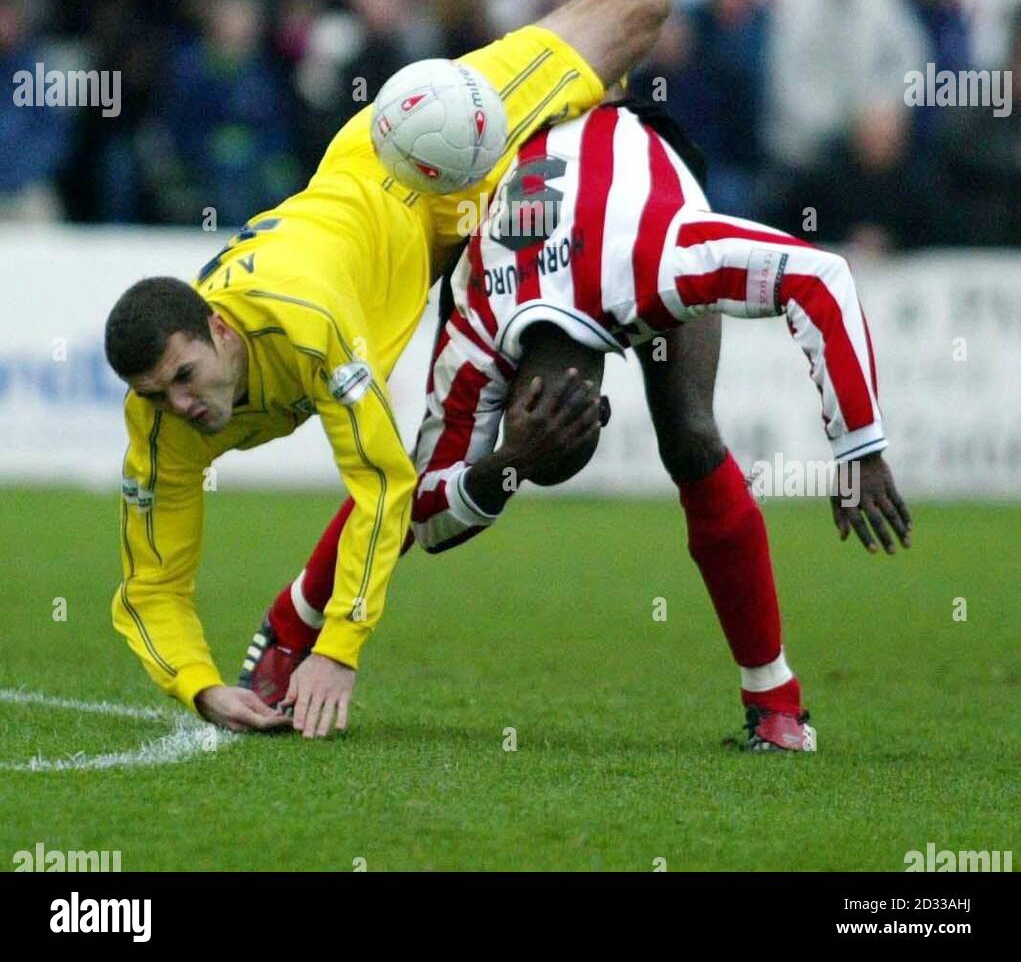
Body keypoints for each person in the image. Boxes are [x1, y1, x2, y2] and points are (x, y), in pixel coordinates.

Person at [103, 0, 815, 738]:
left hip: (427, 154)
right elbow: (148, 587)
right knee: (613, 24)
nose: (181, 406)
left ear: (214, 328)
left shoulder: (299, 321)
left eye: (186, 377)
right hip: (444, 232)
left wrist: (339, 647)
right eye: (162, 395)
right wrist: (200, 685)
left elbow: (388, 479)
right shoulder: (163, 423)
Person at [249, 97, 910, 749]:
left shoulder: (658, 261)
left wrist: (859, 449)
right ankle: (286, 625)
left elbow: (819, 275)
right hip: (549, 206)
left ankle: (775, 701)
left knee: (688, 433)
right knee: (683, 439)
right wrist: (507, 464)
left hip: (639, 176)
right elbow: (415, 507)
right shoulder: (477, 325)